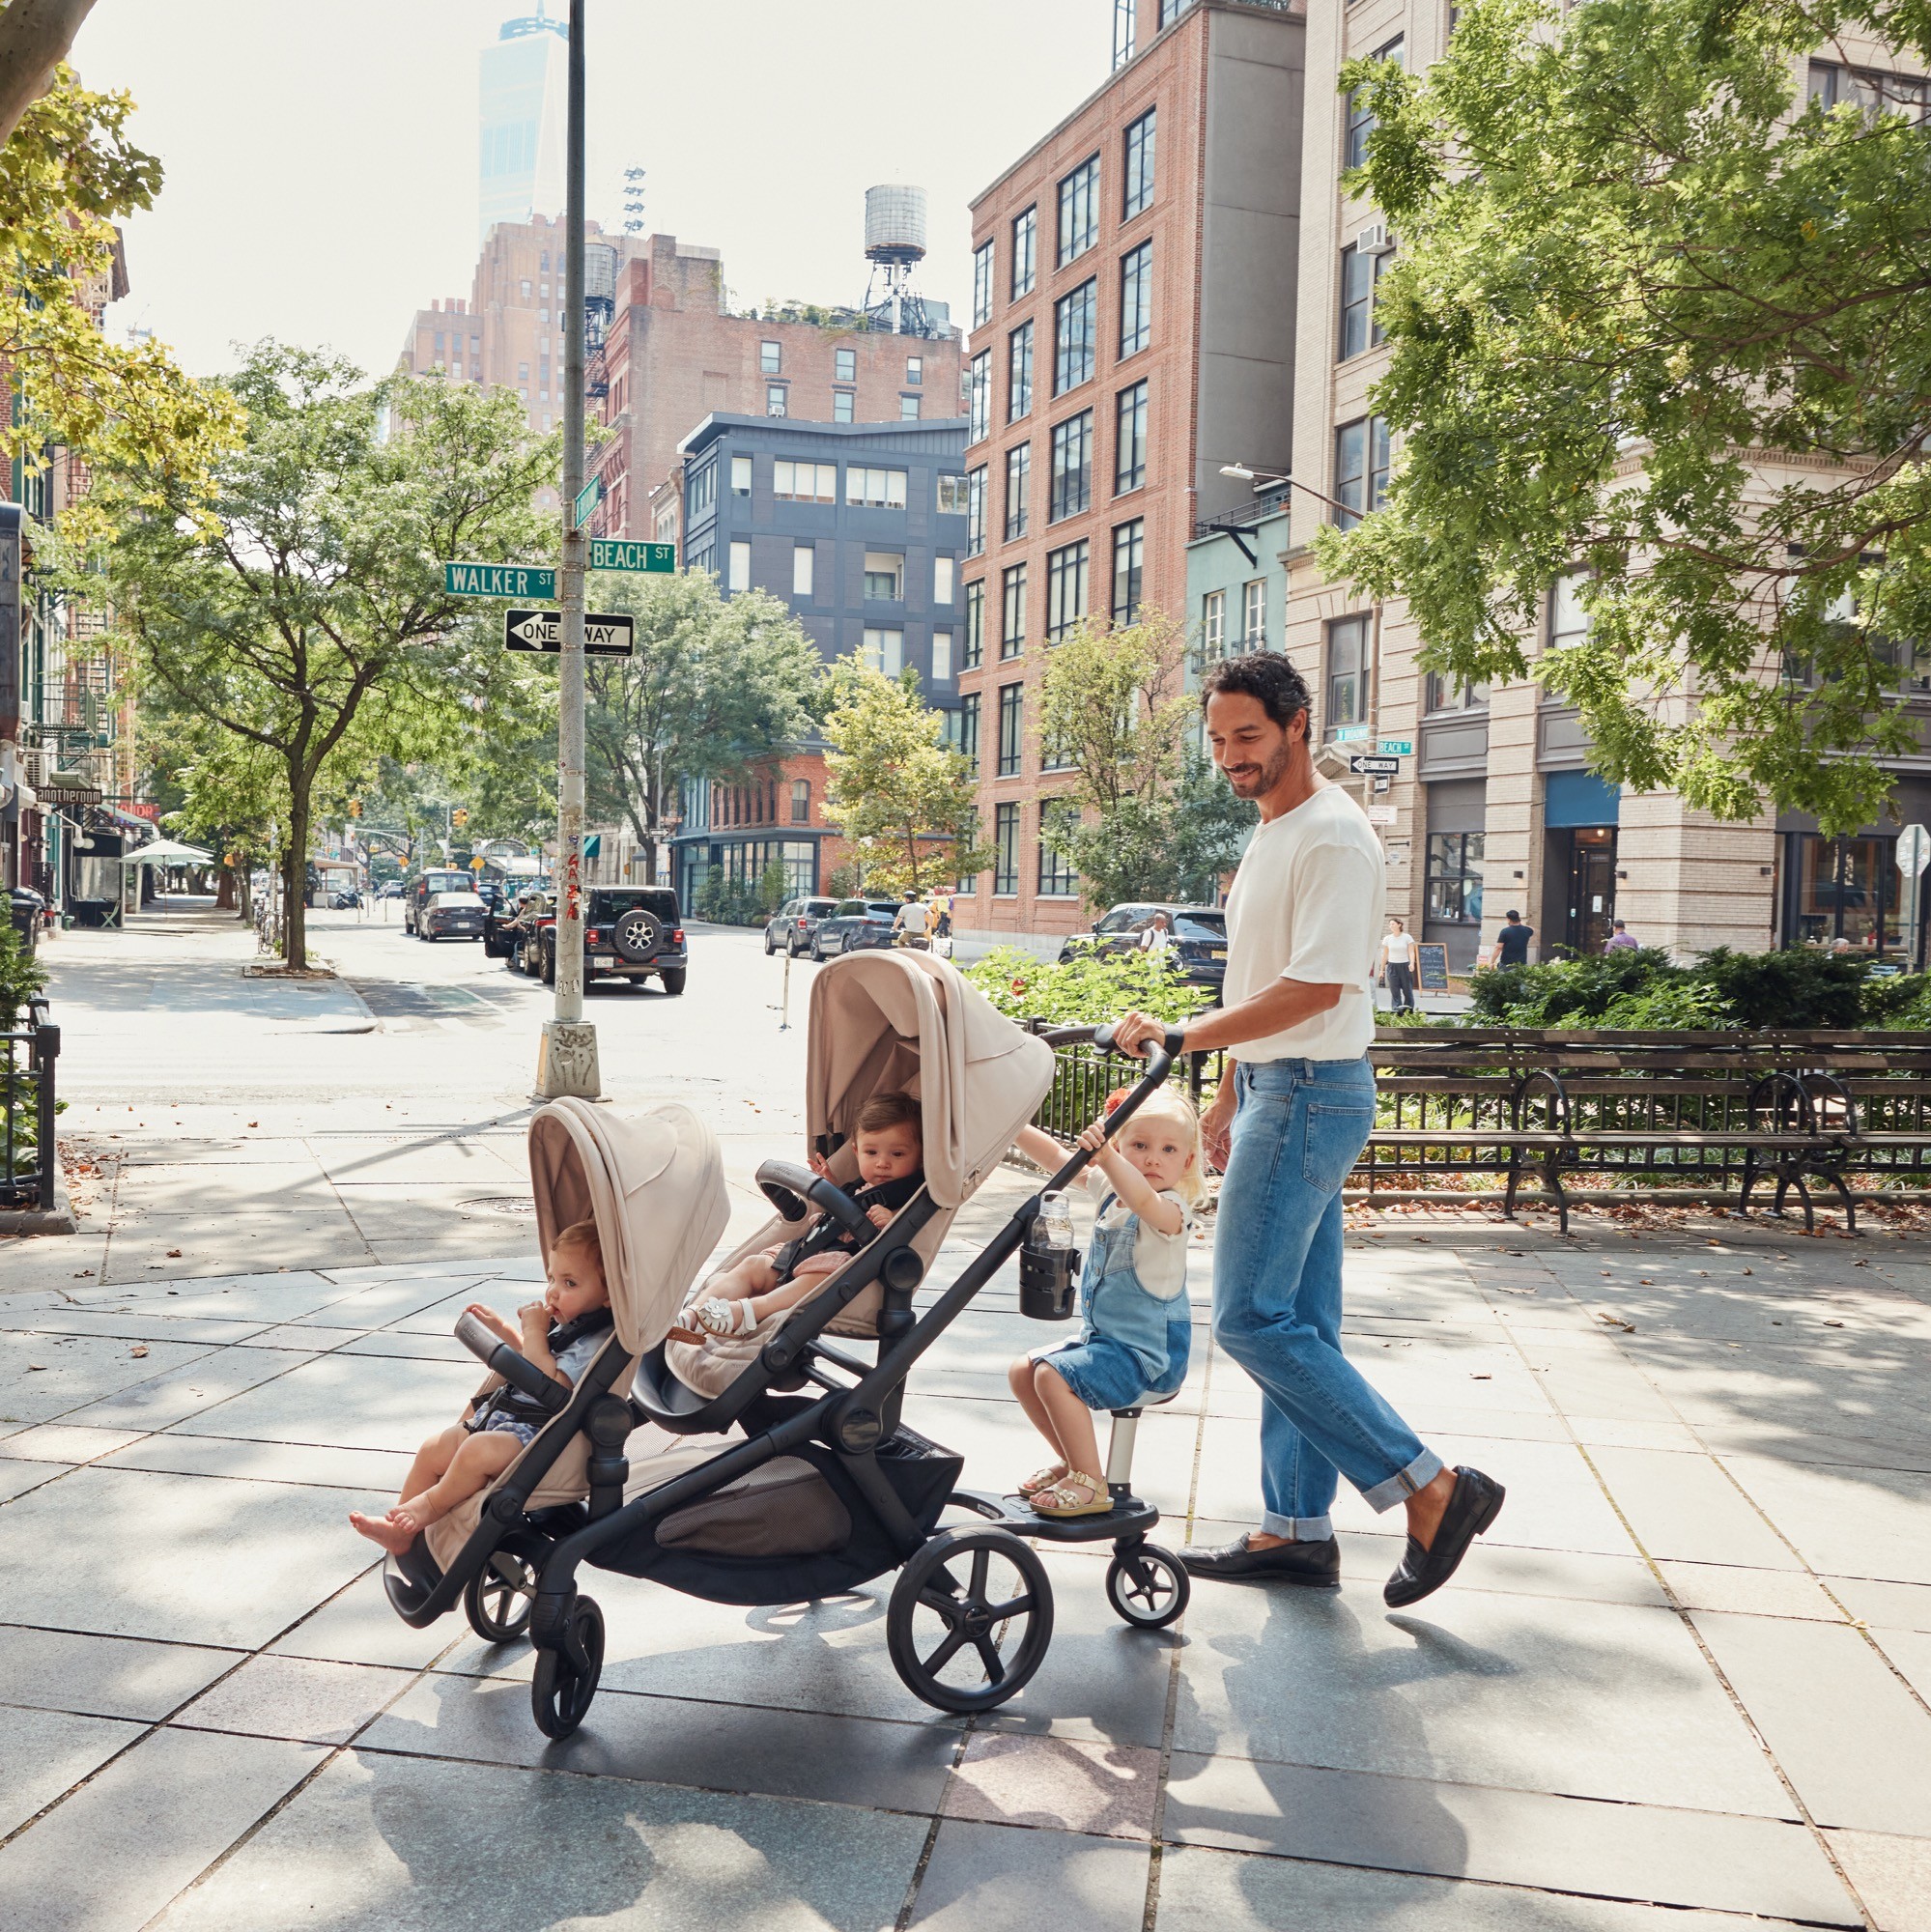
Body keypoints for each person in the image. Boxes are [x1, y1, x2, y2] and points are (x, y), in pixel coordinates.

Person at [1109, 652, 1504, 1605]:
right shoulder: (1275, 831)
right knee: (1300, 1322)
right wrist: (1227, 1087)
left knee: (1250, 1318)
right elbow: (1261, 978)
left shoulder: (1331, 834)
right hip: (1279, 1088)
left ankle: (1430, 1487)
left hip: (1313, 1091)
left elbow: (1319, 984)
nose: (1231, 755)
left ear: (1297, 724)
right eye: (1217, 740)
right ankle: (1294, 1526)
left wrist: (1186, 1035)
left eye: (1247, 735)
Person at [349, 1219, 612, 1554]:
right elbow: (532, 1360)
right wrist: (502, 1330)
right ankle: (397, 1533)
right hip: (509, 1422)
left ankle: (428, 1506)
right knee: (434, 1448)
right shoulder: (573, 1324)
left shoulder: (597, 1342)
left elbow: (551, 1385)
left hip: (538, 1439)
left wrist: (534, 1331)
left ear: (607, 1294)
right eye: (552, 1278)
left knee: (476, 1451)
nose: (553, 1292)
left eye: (570, 1282)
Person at [1007, 1091, 1204, 1517]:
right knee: (1024, 1371)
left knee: (1051, 1376)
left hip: (1150, 1358)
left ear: (1186, 1162)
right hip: (1107, 1345)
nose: (1152, 1159)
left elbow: (1144, 1203)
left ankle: (1090, 1484)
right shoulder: (1112, 1191)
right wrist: (1008, 1124)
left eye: (1168, 1149)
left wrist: (1111, 1159)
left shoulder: (1173, 1210)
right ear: (1120, 1145)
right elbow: (1059, 1159)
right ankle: (1075, 1463)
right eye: (1139, 1145)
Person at [676, 1092, 923, 1339]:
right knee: (753, 1265)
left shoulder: (909, 1196)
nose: (882, 1163)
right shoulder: (862, 1185)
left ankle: (748, 1311)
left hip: (840, 1268)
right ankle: (694, 1314)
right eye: (872, 1153)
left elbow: (905, 1233)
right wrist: (835, 1190)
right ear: (856, 1151)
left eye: (897, 1154)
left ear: (921, 1155)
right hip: (805, 1251)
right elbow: (844, 1219)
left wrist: (890, 1221)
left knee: (821, 1277)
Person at [1377, 916, 1419, 1012]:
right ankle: (1397, 1012)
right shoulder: (1388, 939)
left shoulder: (1407, 937)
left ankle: (1408, 1011)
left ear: (1399, 925)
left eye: (1393, 924)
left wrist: (1412, 963)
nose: (1390, 926)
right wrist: (1382, 970)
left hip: (1405, 966)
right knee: (1394, 991)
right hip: (1392, 966)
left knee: (1407, 991)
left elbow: (1411, 952)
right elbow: (1385, 955)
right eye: (1390, 924)